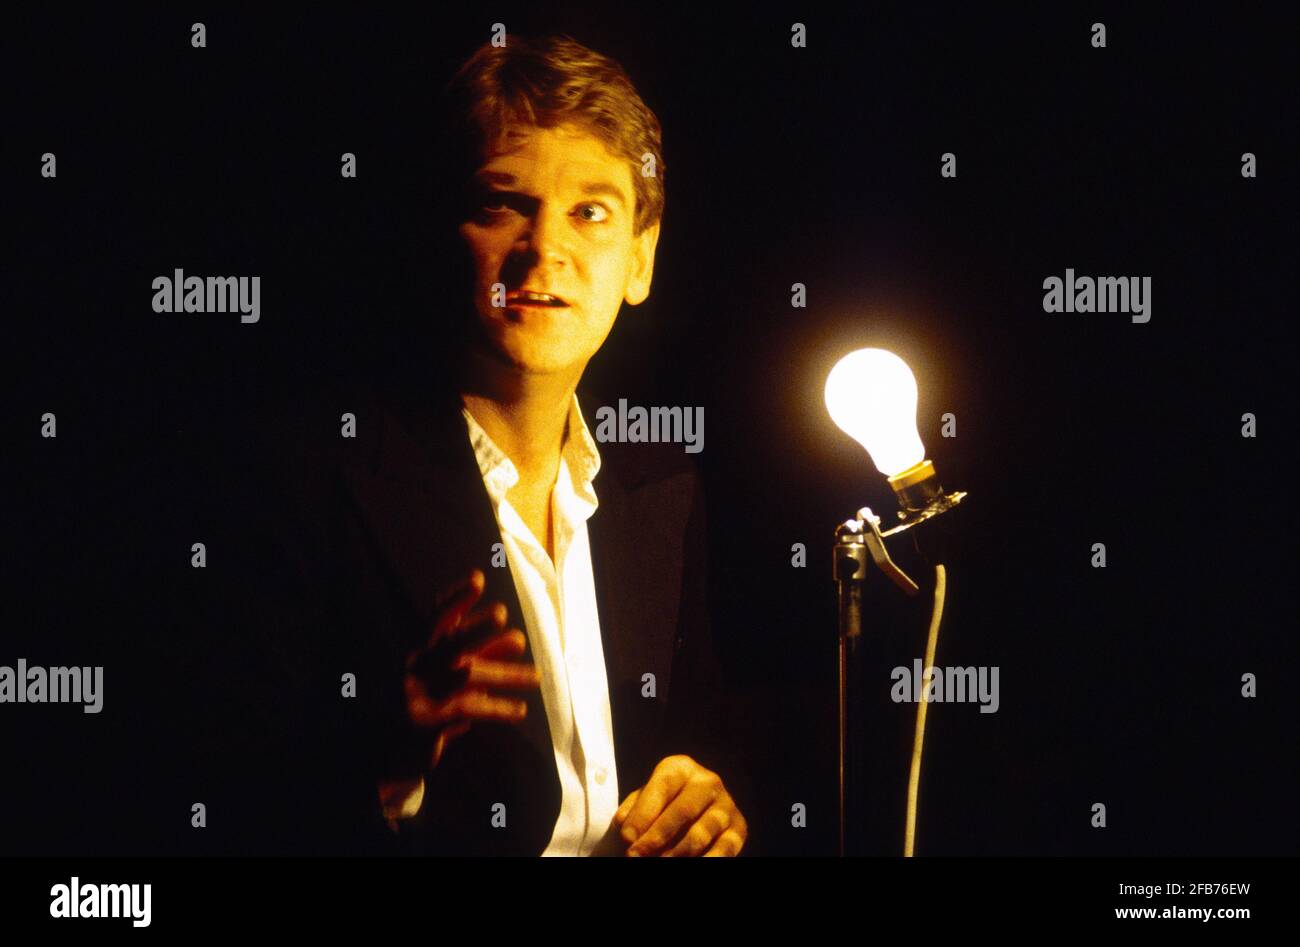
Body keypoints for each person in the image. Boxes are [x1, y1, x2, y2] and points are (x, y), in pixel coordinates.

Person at [180, 33, 748, 857]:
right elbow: (194, 802)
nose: (544, 247)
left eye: (591, 211)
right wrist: (388, 759)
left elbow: (695, 752)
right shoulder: (305, 474)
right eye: (501, 204)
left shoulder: (661, 487)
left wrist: (707, 807)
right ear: (439, 235)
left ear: (641, 258)